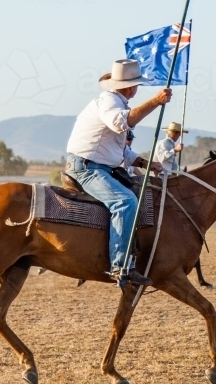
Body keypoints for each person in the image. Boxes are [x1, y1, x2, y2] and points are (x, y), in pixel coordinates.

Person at [65, 59, 170, 287]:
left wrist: (144, 162)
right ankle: (121, 266)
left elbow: (119, 148)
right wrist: (156, 101)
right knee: (125, 202)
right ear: (133, 87)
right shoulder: (109, 101)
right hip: (87, 168)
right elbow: (120, 124)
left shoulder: (116, 101)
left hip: (100, 166)